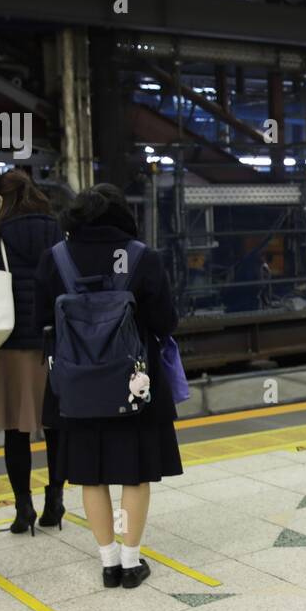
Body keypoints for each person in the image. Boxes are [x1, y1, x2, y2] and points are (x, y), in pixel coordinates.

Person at [35, 184, 182, 588]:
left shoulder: (56, 259)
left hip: (76, 387)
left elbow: (39, 321)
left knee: (91, 475)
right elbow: (165, 320)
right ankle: (132, 563)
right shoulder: (142, 257)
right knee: (134, 474)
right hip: (135, 383)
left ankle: (108, 563)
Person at [0, 170, 64, 535]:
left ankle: (24, 510)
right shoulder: (58, 232)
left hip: (6, 346)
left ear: (1, 199)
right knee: (56, 427)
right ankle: (56, 501)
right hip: (52, 344)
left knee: (15, 432)